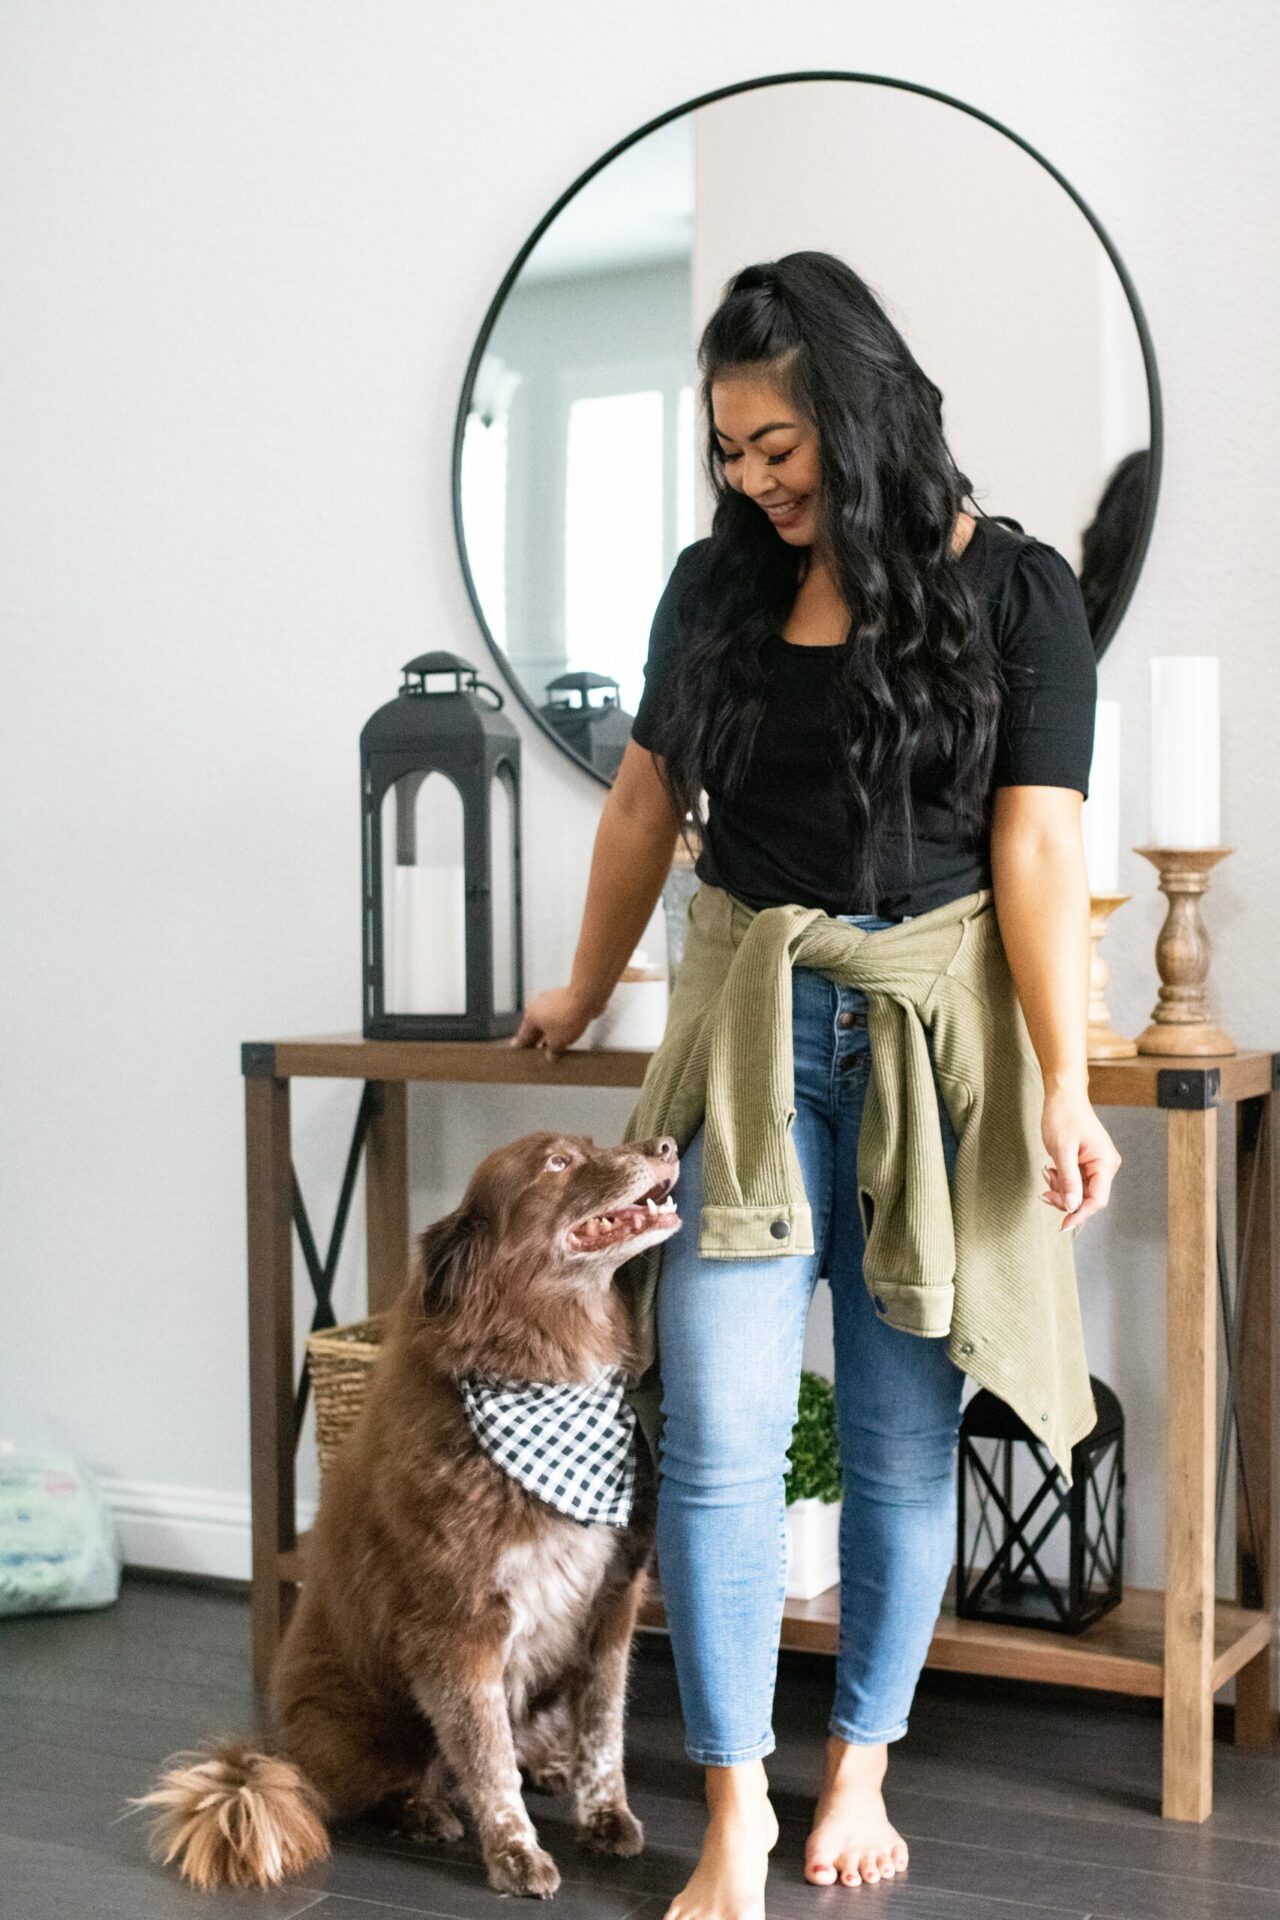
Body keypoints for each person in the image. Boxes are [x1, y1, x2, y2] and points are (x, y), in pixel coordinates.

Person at [512, 251, 1122, 1920]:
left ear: (858, 416)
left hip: (933, 1045)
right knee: (712, 1433)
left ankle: (855, 1767)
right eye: (728, 449)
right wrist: (582, 983)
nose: (751, 480)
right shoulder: (714, 591)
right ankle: (735, 1813)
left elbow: (1039, 842)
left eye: (778, 446)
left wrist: (1067, 1085)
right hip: (748, 1041)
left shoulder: (1016, 592)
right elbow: (645, 804)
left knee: (902, 1448)